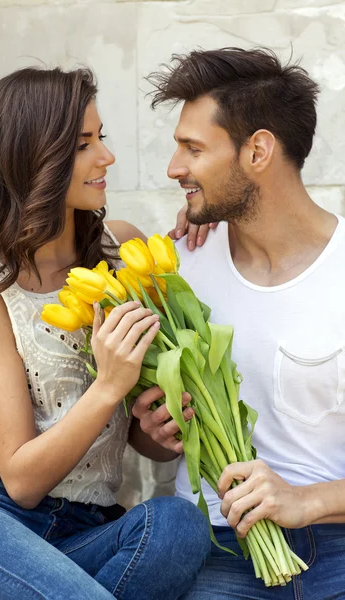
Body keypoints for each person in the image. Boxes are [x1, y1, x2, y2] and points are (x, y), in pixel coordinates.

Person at [0, 66, 211, 600]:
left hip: (89, 529)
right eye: (84, 144)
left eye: (101, 137)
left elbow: (136, 437)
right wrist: (109, 385)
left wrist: (156, 429)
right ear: (35, 158)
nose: (106, 157)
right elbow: (20, 481)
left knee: (181, 527)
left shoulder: (124, 251)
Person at [132, 47, 345, 599]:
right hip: (215, 547)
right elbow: (151, 443)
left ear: (258, 151)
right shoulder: (180, 268)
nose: (174, 168)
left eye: (193, 149)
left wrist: (307, 500)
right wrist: (154, 432)